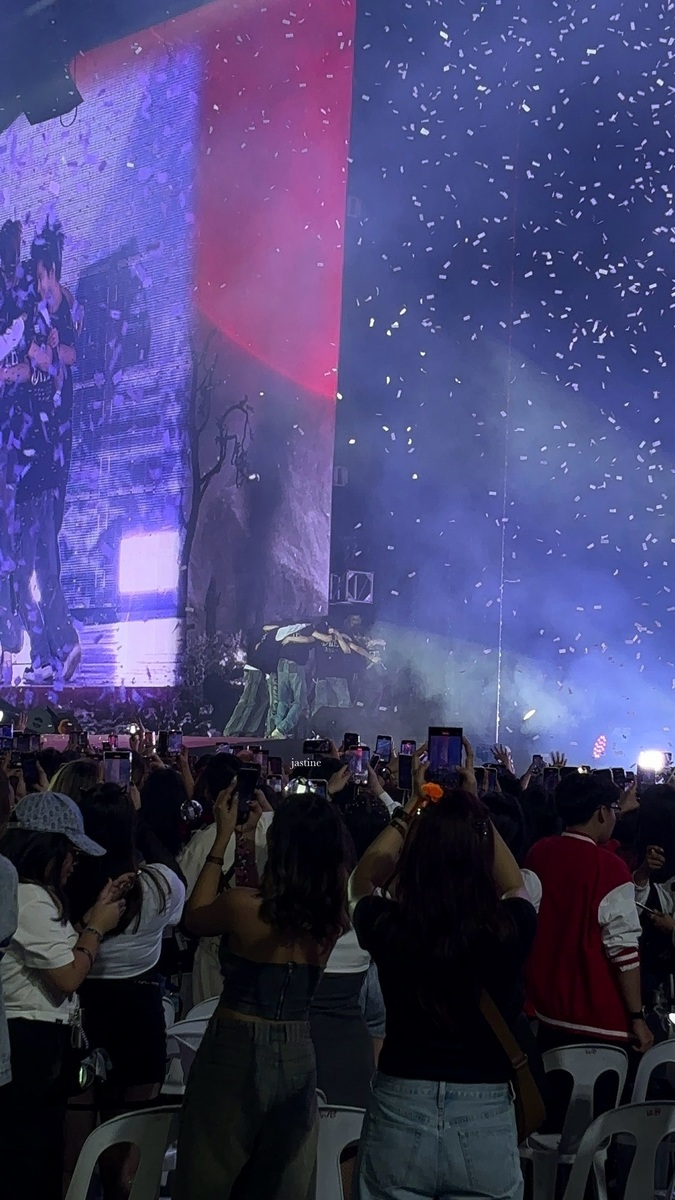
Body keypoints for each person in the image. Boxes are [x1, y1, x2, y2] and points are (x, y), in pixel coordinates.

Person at [349, 747, 537, 1200]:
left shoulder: (394, 927)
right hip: (485, 1108)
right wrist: (476, 811)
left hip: (401, 1101)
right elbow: (516, 885)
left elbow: (361, 881)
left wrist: (412, 807)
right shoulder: (507, 929)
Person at [174, 783, 351, 1200]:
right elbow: (276, 905)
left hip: (234, 1050)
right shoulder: (331, 921)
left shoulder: (241, 908)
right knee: (281, 1183)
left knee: (208, 1179)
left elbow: (195, 916)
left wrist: (223, 838)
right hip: (297, 1051)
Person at [0, 791, 127, 1200]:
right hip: (29, 1041)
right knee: (28, 1162)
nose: (75, 863)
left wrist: (93, 916)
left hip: (36, 1042)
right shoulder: (28, 895)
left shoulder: (29, 893)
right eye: (71, 852)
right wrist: (98, 928)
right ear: (47, 849)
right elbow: (69, 975)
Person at [66, 782, 185, 1197]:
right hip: (138, 1012)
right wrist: (142, 827)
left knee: (73, 1157)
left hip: (78, 1010)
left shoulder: (65, 884)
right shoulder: (158, 885)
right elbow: (176, 884)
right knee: (127, 1158)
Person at [525, 772, 651, 1054]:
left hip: (545, 1012)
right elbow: (624, 951)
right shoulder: (610, 868)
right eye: (614, 808)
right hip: (600, 1022)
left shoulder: (538, 853)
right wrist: (636, 1017)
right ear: (602, 813)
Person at [14, 218, 80, 684]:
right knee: (21, 572)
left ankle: (66, 641)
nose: (40, 288)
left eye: (44, 278)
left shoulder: (61, 325)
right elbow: (19, 372)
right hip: (19, 473)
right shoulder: (27, 331)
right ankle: (41, 653)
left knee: (43, 563)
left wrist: (51, 357)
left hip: (43, 469)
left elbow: (63, 368)